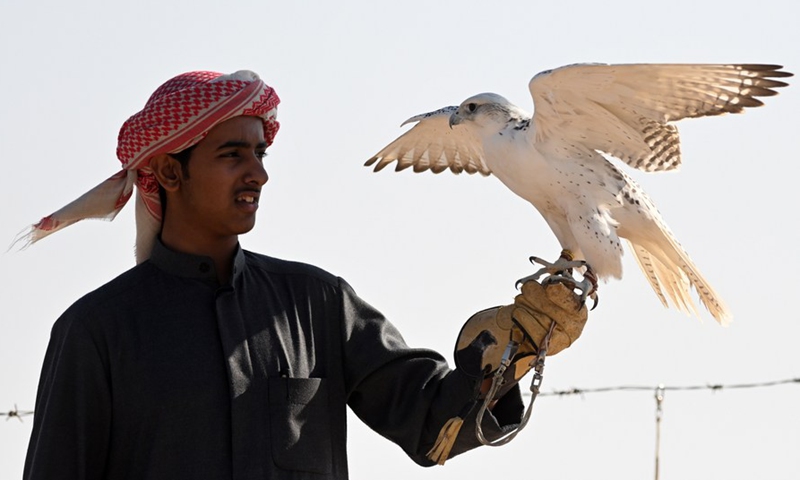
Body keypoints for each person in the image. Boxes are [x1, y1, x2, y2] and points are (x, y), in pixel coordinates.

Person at [21, 70, 590, 479]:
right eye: (232, 156)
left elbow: (428, 424)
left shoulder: (317, 304)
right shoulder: (97, 331)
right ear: (170, 170)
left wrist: (513, 351)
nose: (258, 175)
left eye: (261, 154)